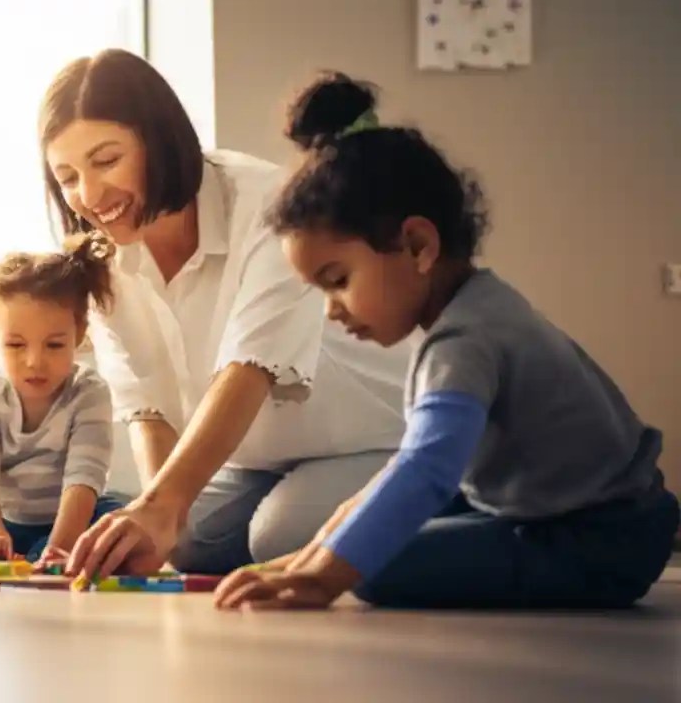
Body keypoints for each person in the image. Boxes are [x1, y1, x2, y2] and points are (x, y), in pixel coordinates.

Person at [214, 71, 679, 610]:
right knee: (367, 535)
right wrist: (312, 553)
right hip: (584, 513)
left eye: (338, 281)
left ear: (417, 245)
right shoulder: (476, 305)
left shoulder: (465, 339)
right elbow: (409, 470)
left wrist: (325, 577)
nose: (330, 309)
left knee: (377, 567)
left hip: (599, 538)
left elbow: (427, 470)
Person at [38, 49, 410, 579]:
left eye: (106, 161)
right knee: (185, 545)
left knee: (275, 535)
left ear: (159, 140)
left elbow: (249, 369)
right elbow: (149, 410)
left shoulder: (269, 205)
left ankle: (454, 496)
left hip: (373, 435)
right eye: (68, 176)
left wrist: (163, 508)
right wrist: (156, 512)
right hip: (260, 462)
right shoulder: (103, 261)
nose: (89, 195)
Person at [0, 232, 126, 564]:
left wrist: (61, 547)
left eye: (54, 345)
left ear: (80, 332)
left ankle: (43, 551)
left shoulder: (89, 392)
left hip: (69, 517)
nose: (34, 362)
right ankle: (1, 549)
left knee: (115, 520)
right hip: (2, 515)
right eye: (15, 345)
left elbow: (85, 477)